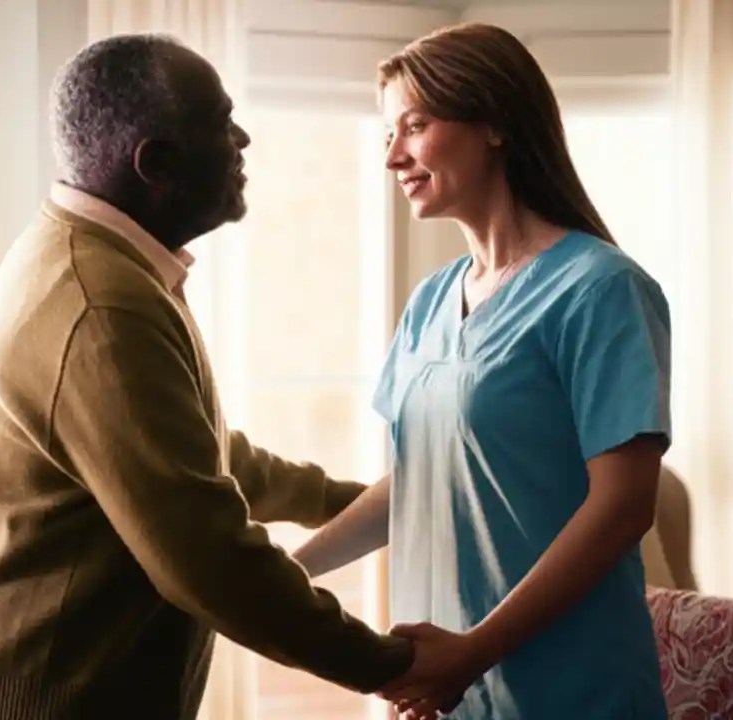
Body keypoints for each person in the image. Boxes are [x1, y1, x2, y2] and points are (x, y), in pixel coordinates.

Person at [0, 34, 454, 719]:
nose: (244, 139)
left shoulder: (102, 263)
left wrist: (380, 506)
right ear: (157, 163)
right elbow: (207, 557)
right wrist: (395, 665)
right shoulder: (102, 303)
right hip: (40, 693)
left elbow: (207, 458)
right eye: (222, 123)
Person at [294, 24, 671, 720]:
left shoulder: (600, 288)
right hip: (451, 695)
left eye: (415, 125)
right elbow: (416, 479)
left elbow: (623, 507)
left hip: (572, 694)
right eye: (386, 133)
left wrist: (475, 650)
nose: (393, 155)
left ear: (494, 122)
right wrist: (285, 577)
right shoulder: (431, 301)